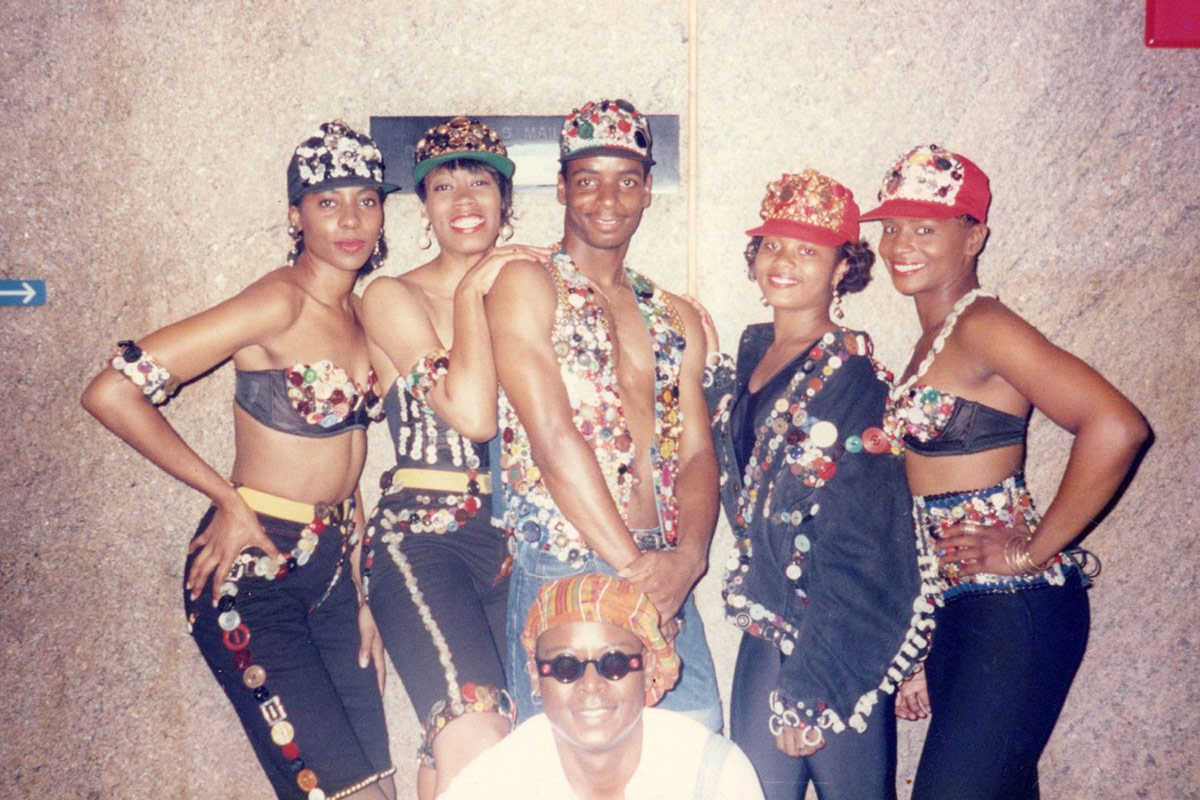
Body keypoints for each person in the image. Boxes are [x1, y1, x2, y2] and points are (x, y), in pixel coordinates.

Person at [81, 120, 399, 799]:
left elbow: (348, 455)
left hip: (334, 575)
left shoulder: (361, 312)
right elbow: (112, 392)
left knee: (378, 787)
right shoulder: (276, 300)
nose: (351, 219)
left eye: (366, 200)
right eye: (327, 202)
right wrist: (228, 500)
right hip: (255, 571)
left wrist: (357, 587)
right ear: (295, 215)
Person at [859, 144, 1149, 800]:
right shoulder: (933, 339)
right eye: (892, 227)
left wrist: (1030, 551)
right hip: (962, 607)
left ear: (975, 237)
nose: (900, 243)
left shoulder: (983, 323)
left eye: (925, 228)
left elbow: (1116, 425)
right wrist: (927, 631)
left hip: (1013, 605)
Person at [688, 170, 935, 800]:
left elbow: (863, 543)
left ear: (841, 268)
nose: (785, 261)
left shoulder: (855, 378)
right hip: (766, 616)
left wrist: (817, 682)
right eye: (773, 244)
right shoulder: (749, 356)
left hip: (837, 631)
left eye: (808, 250)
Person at [485, 97, 722, 730]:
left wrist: (689, 559)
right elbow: (553, 440)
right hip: (571, 553)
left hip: (663, 560)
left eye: (626, 180)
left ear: (647, 190)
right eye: (587, 179)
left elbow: (698, 451)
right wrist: (637, 575)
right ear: (562, 187)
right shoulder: (527, 285)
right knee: (573, 761)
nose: (607, 198)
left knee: (694, 734)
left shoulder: (673, 315)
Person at [359, 115, 549, 798]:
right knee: (479, 741)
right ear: (423, 206)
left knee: (496, 748)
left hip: (515, 543)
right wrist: (474, 288)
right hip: (422, 540)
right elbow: (468, 412)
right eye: (444, 186)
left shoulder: (529, 289)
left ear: (505, 198)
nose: (464, 200)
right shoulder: (389, 295)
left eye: (479, 183)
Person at [440, 573, 765, 800]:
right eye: (566, 667)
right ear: (535, 677)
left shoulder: (708, 773)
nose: (591, 685)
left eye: (615, 663)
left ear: (648, 667)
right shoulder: (500, 781)